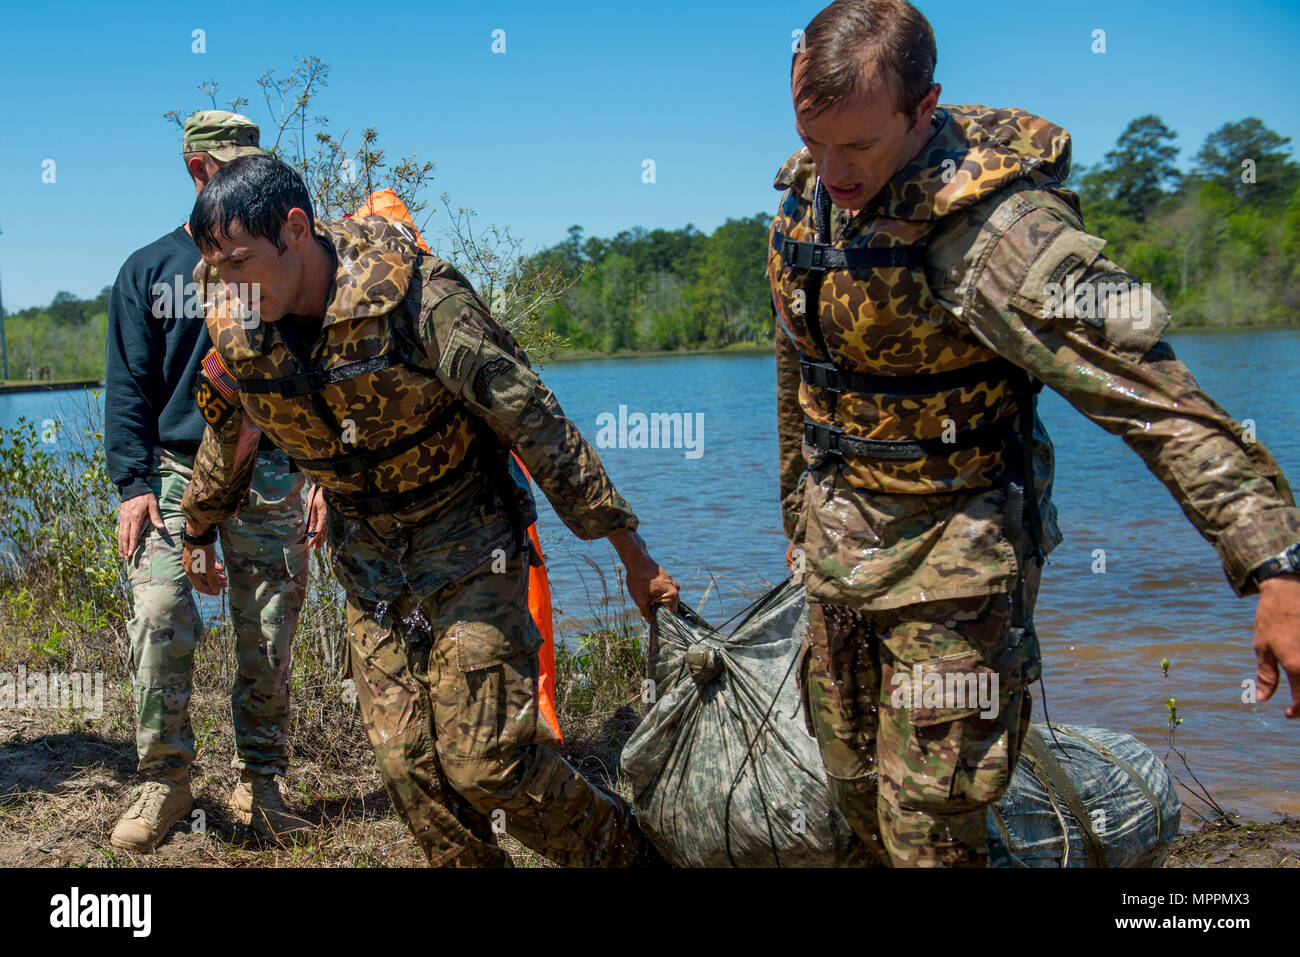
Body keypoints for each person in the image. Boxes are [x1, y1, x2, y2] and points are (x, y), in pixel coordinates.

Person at [769, 0, 1300, 867]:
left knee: (933, 837)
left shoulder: (1000, 239)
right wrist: (796, 519)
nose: (832, 170)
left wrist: (1277, 566)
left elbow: (1157, 398)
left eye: (858, 146)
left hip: (957, 573)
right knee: (857, 809)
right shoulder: (808, 196)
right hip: (839, 562)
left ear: (923, 108)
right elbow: (800, 371)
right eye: (813, 139)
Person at [177, 153, 680, 867]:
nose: (230, 286)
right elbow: (230, 433)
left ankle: (633, 857)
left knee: (488, 765)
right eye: (216, 268)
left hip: (469, 536)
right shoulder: (237, 316)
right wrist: (196, 528)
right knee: (411, 774)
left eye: (239, 262)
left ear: (295, 229)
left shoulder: (418, 297)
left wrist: (634, 556)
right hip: (369, 559)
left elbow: (533, 421)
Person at [106, 112, 326, 852]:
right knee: (163, 610)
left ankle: (262, 782)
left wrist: (321, 472)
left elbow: (319, 375)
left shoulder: (276, 257)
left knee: (269, 626)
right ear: (197, 170)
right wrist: (132, 485)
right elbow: (128, 388)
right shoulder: (147, 269)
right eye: (224, 167)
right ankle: (165, 780)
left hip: (270, 470)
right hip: (172, 474)